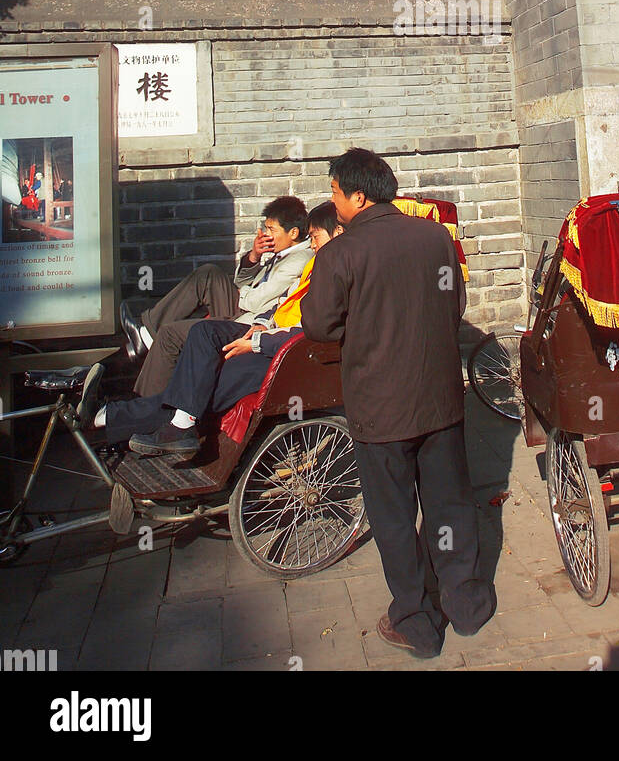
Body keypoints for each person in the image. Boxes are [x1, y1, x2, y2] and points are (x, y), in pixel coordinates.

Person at [301, 147, 496, 660]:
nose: (332, 200)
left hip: (379, 409)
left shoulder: (339, 254)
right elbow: (454, 303)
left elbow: (319, 325)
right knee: (449, 504)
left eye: (335, 192)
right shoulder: (435, 237)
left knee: (392, 517)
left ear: (358, 196)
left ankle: (417, 621)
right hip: (439, 402)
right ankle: (467, 604)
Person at [85, 202, 343, 451]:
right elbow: (281, 306)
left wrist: (255, 339)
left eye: (316, 236)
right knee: (202, 330)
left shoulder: (314, 265)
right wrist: (262, 318)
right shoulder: (315, 264)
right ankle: (134, 414)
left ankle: (115, 417)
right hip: (265, 328)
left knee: (199, 369)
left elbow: (304, 325)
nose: (312, 244)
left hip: (281, 348)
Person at [121, 195, 312, 397]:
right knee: (208, 273)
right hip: (244, 306)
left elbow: (254, 301)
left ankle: (145, 404)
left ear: (293, 232)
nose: (267, 234)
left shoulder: (299, 259)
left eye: (272, 230)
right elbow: (240, 283)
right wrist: (254, 256)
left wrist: (242, 292)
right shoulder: (283, 251)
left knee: (170, 333)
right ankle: (146, 334)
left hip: (252, 320)